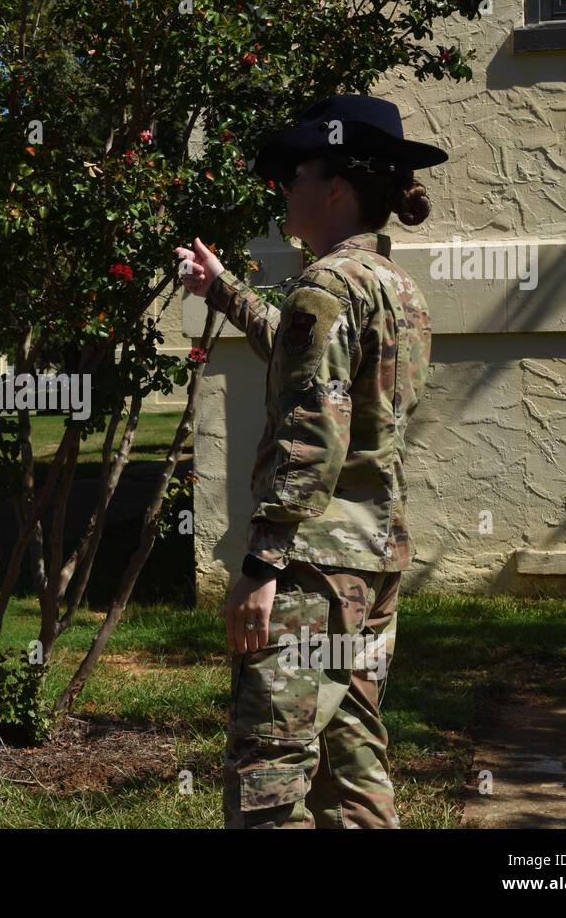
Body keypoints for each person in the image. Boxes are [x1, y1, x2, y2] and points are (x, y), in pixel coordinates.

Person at [176, 94, 444, 828]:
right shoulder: (395, 288)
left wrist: (263, 563)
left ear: (334, 186)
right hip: (373, 558)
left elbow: (311, 429)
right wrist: (226, 292)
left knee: (270, 766)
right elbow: (311, 365)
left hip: (312, 564)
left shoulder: (327, 287)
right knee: (350, 754)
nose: (284, 189)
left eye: (295, 173)